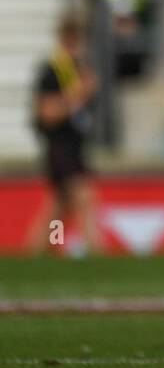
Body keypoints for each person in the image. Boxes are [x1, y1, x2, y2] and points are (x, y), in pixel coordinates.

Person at [29, 13, 102, 255]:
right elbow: (46, 114)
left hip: (75, 144)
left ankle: (32, 257)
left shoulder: (80, 68)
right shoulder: (52, 70)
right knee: (84, 197)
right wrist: (78, 93)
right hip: (59, 146)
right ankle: (97, 254)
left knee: (56, 208)